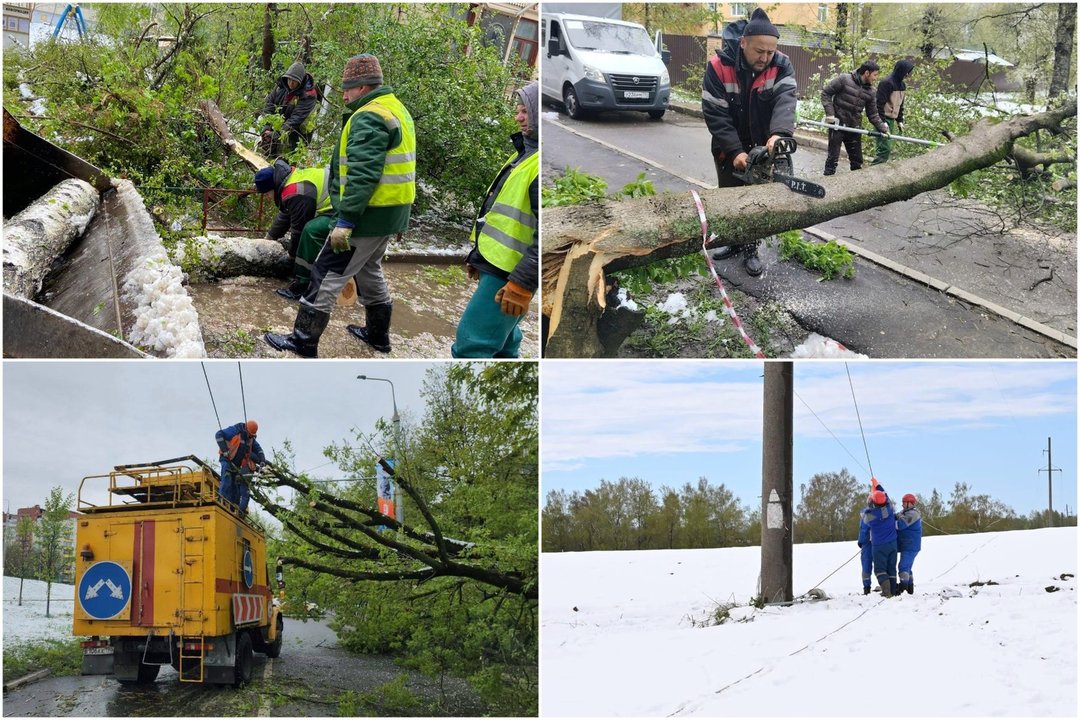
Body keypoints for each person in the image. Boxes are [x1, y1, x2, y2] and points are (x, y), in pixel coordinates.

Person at [264, 53, 415, 357]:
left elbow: (363, 175)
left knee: (327, 273)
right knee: (369, 271)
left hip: (366, 216)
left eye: (348, 89)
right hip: (391, 213)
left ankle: (303, 340)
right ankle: (377, 336)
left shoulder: (369, 116)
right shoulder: (396, 108)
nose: (344, 95)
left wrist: (345, 221)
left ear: (363, 87)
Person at [701, 8, 796, 277]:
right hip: (728, 143)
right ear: (743, 43)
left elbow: (786, 100)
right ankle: (733, 242)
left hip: (764, 142)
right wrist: (735, 152)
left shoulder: (781, 65)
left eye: (770, 52)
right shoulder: (718, 67)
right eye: (759, 51)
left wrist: (779, 134)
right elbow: (715, 113)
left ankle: (751, 249)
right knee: (731, 198)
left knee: (756, 203)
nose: (765, 58)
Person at [452, 82, 538, 358]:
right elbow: (500, 214)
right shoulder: (524, 154)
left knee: (472, 345)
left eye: (526, 111)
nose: (519, 117)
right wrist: (479, 257)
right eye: (518, 110)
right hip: (501, 267)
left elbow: (545, 235)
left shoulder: (537, 164)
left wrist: (522, 284)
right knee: (505, 343)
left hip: (510, 273)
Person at [254, 160, 332, 300]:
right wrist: (269, 238)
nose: (268, 198)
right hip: (335, 205)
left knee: (309, 232)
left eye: (267, 194)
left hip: (341, 211)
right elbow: (285, 215)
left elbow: (298, 231)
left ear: (272, 187)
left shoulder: (295, 191)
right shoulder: (289, 181)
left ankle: (302, 286)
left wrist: (290, 258)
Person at [820, 61, 890, 176]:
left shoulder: (871, 92)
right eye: (875, 75)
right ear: (867, 73)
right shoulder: (844, 79)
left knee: (857, 162)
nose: (875, 78)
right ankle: (827, 183)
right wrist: (830, 114)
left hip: (854, 127)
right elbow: (826, 93)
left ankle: (857, 185)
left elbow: (873, 114)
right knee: (832, 160)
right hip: (837, 125)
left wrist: (883, 128)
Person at [259, 61, 319, 155]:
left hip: (298, 133)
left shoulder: (309, 95)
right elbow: (269, 105)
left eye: (294, 81)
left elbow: (296, 119)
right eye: (289, 79)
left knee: (287, 159)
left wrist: (278, 133)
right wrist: (267, 126)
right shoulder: (280, 87)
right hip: (281, 124)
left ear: (300, 81)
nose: (291, 83)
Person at [215, 420, 264, 515]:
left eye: (252, 436)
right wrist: (224, 450)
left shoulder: (250, 439)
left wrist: (262, 460)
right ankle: (222, 501)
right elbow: (218, 434)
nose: (251, 437)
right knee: (227, 481)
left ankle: (233, 506)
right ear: (246, 429)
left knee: (235, 486)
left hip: (236, 464)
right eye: (250, 435)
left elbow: (258, 449)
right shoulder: (235, 430)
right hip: (227, 460)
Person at [871, 59, 915, 165]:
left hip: (892, 119)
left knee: (888, 147)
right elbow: (879, 104)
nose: (907, 75)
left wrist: (900, 120)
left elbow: (900, 104)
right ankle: (874, 169)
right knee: (884, 148)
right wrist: (882, 121)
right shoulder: (886, 83)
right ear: (901, 70)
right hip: (883, 118)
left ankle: (879, 169)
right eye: (907, 72)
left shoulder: (902, 85)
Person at [861, 485, 898, 597]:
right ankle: (893, 591)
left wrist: (871, 501)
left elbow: (864, 517)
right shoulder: (890, 509)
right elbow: (887, 499)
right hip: (893, 544)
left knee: (880, 570)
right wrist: (878, 487)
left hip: (879, 546)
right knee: (891, 568)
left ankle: (887, 593)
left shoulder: (870, 515)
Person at [896, 493, 922, 594]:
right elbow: (897, 515)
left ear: (910, 503)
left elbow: (900, 525)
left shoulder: (913, 514)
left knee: (903, 566)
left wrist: (886, 526)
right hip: (907, 545)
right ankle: (910, 589)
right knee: (907, 568)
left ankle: (904, 588)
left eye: (904, 502)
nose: (902, 504)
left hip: (910, 545)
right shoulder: (905, 512)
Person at [857, 498, 875, 595]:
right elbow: (863, 530)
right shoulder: (868, 515)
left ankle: (867, 588)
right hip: (868, 544)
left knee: (875, 566)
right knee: (867, 566)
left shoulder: (865, 514)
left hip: (870, 543)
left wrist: (861, 541)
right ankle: (867, 588)